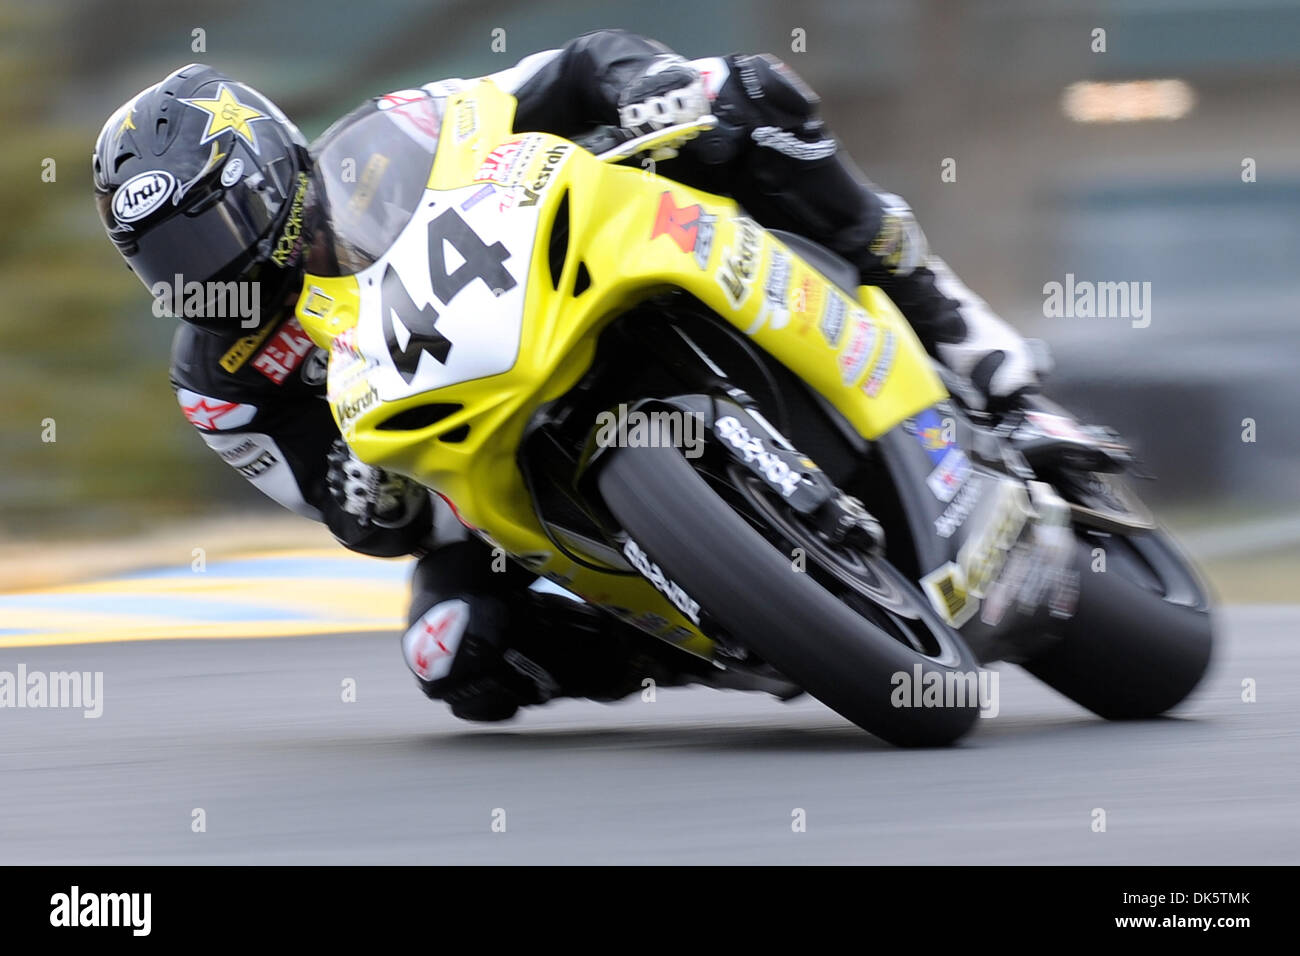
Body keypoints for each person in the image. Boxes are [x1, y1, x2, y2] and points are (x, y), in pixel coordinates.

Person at [92, 29, 1046, 721]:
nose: (203, 273)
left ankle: (962, 337)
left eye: (210, 232)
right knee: (447, 653)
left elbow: (574, 69)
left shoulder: (391, 137)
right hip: (460, 469)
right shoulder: (222, 381)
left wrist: (655, 89)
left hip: (560, 289)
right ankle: (689, 633)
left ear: (274, 171)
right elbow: (349, 519)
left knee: (750, 99)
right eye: (166, 261)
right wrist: (367, 503)